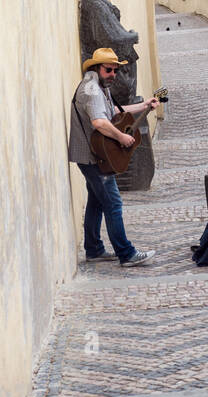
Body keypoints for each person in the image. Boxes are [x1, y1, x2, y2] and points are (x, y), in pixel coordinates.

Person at [68, 47, 158, 267]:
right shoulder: (91, 89)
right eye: (109, 70)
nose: (113, 75)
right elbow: (99, 122)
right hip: (93, 157)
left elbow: (115, 112)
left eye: (115, 71)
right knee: (114, 203)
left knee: (96, 202)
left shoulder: (99, 85)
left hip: (94, 155)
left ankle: (94, 249)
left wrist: (145, 105)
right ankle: (126, 254)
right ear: (97, 68)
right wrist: (121, 137)